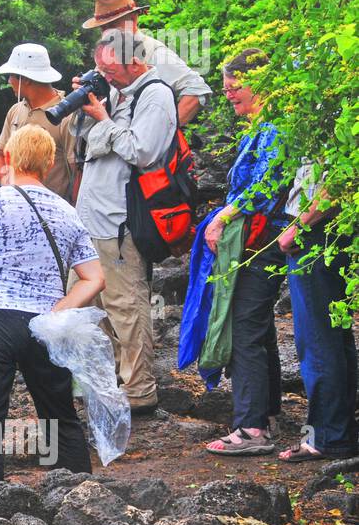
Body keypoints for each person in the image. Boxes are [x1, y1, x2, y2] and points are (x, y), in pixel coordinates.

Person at [0, 125, 106, 481]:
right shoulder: (66, 210)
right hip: (45, 325)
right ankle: (76, 492)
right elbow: (95, 278)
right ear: (49, 161)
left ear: (8, 157)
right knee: (58, 416)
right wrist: (59, 310)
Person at [193, 50, 292, 455]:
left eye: (235, 87)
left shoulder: (272, 128)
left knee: (244, 325)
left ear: (260, 84)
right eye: (227, 87)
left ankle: (251, 428)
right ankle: (266, 414)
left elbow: (267, 186)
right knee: (259, 324)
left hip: (260, 237)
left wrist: (226, 214)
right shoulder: (260, 126)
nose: (229, 94)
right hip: (260, 235)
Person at [73, 29, 178, 414]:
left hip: (120, 223)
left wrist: (103, 117)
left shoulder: (155, 94)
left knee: (126, 308)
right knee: (88, 309)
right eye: (99, 67)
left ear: (134, 61)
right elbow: (85, 146)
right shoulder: (116, 93)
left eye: (109, 69)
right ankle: (104, 382)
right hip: (90, 222)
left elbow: (143, 151)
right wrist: (92, 105)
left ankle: (139, 392)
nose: (105, 74)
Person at [278, 166, 358, 461]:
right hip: (332, 232)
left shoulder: (328, 125)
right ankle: (341, 433)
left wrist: (298, 227)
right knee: (335, 336)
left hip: (316, 233)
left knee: (318, 340)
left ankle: (327, 437)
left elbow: (337, 181)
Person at [81, 0, 213, 127]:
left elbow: (197, 90)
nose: (107, 32)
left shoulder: (155, 52)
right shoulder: (109, 55)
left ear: (133, 20)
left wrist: (165, 132)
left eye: (112, 25)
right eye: (103, 28)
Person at [0, 43, 77, 202]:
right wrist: (9, 184)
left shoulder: (67, 116)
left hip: (51, 212)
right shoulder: (15, 110)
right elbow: (0, 157)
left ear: (25, 79)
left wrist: (72, 212)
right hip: (14, 206)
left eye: (12, 75)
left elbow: (77, 171)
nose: (9, 80)